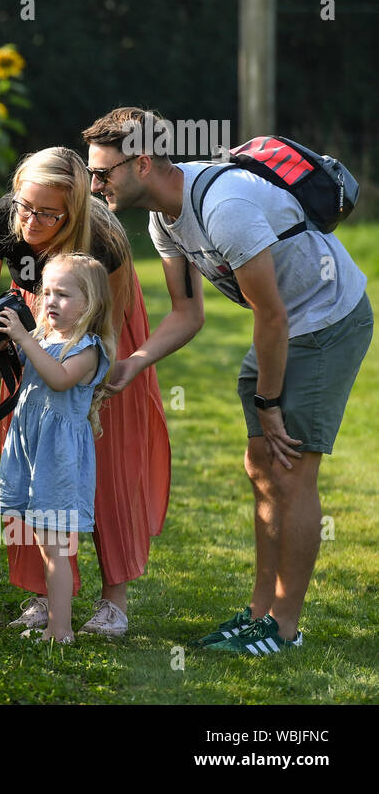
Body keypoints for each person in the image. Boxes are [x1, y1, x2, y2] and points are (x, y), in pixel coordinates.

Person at [83, 106, 373, 655]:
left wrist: (269, 401)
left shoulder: (224, 207)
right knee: (260, 467)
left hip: (327, 319)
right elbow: (188, 314)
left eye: (103, 174)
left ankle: (284, 629)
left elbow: (272, 316)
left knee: (290, 471)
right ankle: (258, 614)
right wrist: (133, 363)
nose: (95, 186)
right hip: (287, 323)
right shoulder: (162, 218)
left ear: (142, 163)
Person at [0, 147, 171, 636]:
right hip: (36, 317)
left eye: (48, 214)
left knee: (110, 456)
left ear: (73, 211)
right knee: (35, 450)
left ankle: (113, 601)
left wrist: (96, 381)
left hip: (101, 322)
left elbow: (112, 321)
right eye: (24, 207)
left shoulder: (102, 240)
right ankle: (45, 595)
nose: (31, 222)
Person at [0, 252, 116, 642]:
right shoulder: (41, 336)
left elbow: (58, 379)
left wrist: (24, 338)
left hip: (58, 456)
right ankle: (57, 623)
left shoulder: (88, 349)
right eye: (47, 293)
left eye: (64, 295)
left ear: (90, 305)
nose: (51, 302)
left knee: (56, 545)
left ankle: (60, 631)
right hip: (30, 447)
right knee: (43, 542)